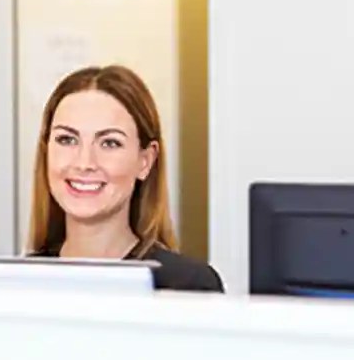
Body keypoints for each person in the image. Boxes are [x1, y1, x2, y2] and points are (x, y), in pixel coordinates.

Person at [26, 65, 224, 292]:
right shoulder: (21, 282)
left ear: (145, 161)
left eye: (110, 143)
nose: (84, 163)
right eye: (67, 140)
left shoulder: (187, 285)